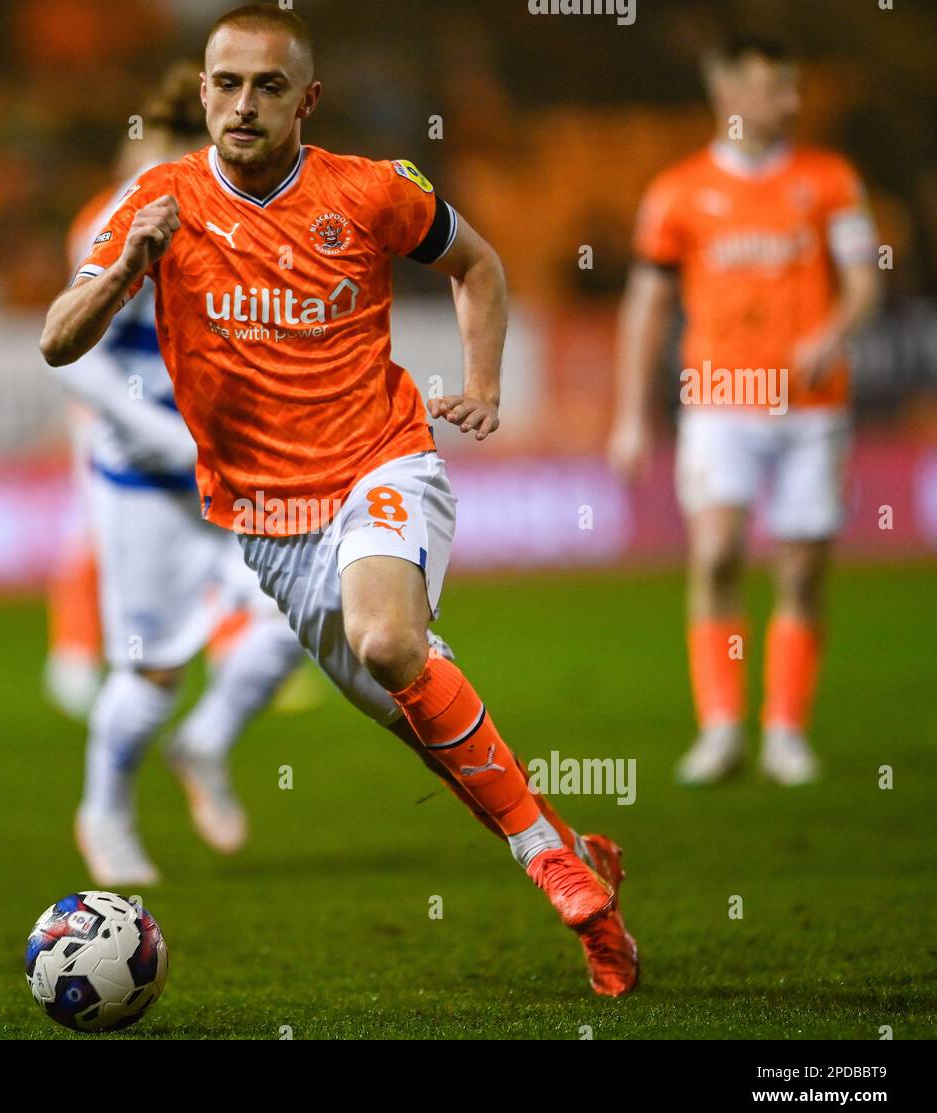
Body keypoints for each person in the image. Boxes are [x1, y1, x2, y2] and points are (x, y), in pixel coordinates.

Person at [43, 4, 637, 996]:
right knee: (422, 719)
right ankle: (569, 848)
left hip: (382, 465)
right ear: (201, 93)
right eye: (225, 84)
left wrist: (482, 388)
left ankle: (548, 865)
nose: (243, 104)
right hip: (272, 528)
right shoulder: (157, 199)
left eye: (268, 86)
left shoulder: (368, 191)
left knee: (389, 643)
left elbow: (478, 265)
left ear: (305, 100)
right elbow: (61, 340)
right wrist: (128, 271)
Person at [50, 60, 305, 886]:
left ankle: (205, 744)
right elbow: (73, 360)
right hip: (148, 485)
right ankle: (106, 812)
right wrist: (160, 433)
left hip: (236, 472)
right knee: (153, 668)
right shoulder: (121, 217)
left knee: (298, 619)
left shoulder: (242, 215)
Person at [610, 35, 881, 786]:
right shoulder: (678, 192)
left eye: (792, 87)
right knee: (718, 552)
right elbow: (647, 305)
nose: (790, 102)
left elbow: (863, 283)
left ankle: (786, 731)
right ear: (727, 94)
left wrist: (831, 334)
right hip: (720, 402)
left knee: (799, 569)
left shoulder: (829, 180)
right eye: (774, 88)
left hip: (813, 407)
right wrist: (630, 415)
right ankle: (723, 727)